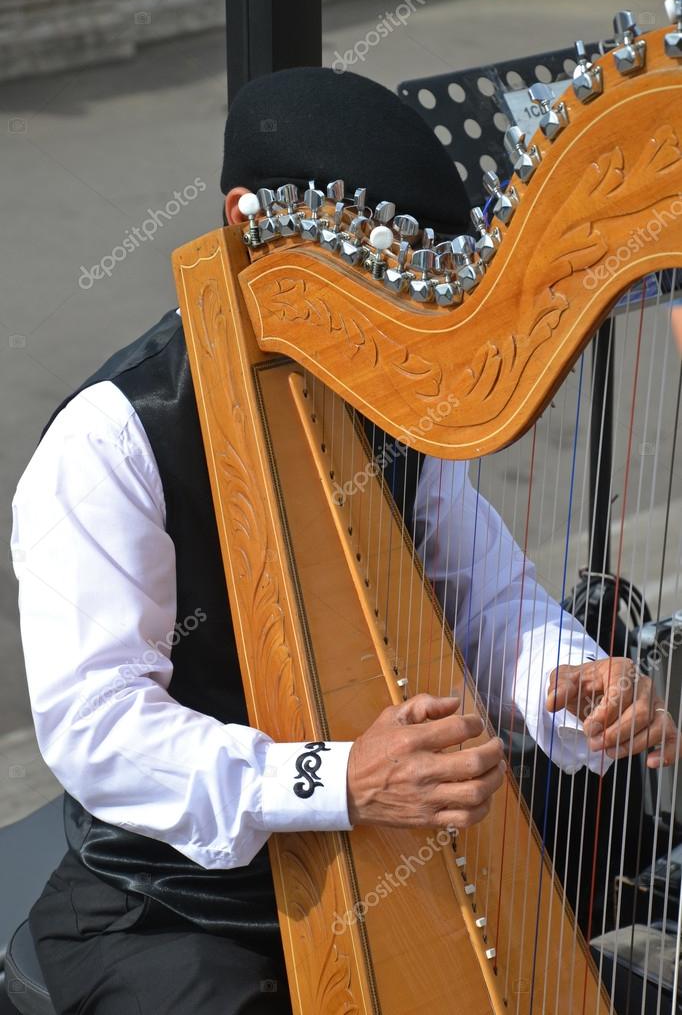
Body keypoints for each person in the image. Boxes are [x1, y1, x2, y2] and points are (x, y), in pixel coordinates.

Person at [11, 68, 678, 1015]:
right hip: (171, 903)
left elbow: (489, 597)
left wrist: (571, 681)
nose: (392, 312)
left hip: (380, 860)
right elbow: (97, 726)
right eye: (370, 270)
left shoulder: (378, 396)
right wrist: (341, 778)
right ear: (250, 223)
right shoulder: (113, 439)